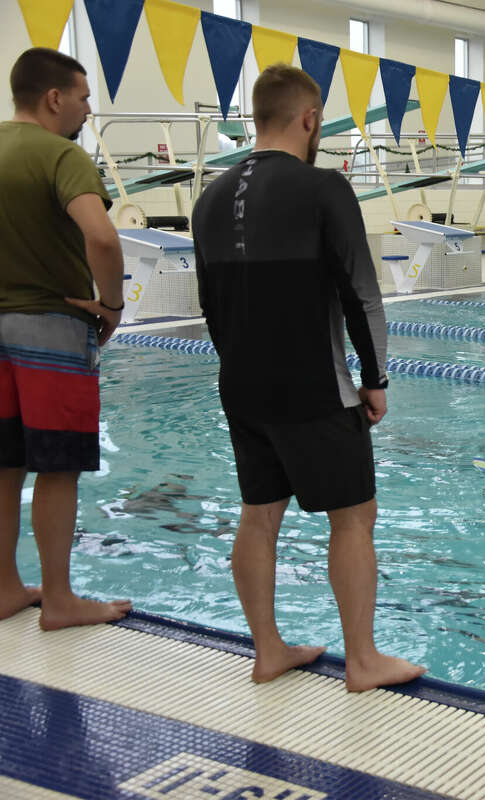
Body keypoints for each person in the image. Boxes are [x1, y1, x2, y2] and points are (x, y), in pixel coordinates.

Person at [192, 64, 424, 691]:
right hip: (312, 386)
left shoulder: (207, 197)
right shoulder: (324, 188)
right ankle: (363, 660)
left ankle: (267, 651)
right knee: (354, 516)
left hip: (240, 386)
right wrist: (375, 379)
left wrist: (240, 366)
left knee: (257, 516)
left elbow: (209, 304)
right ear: (311, 118)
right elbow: (362, 293)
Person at [0, 48, 132, 630]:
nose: (84, 110)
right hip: (49, 331)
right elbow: (102, 238)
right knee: (57, 469)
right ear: (54, 98)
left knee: (4, 465)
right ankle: (58, 598)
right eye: (82, 98)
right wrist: (112, 304)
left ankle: (4, 588)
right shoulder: (62, 154)